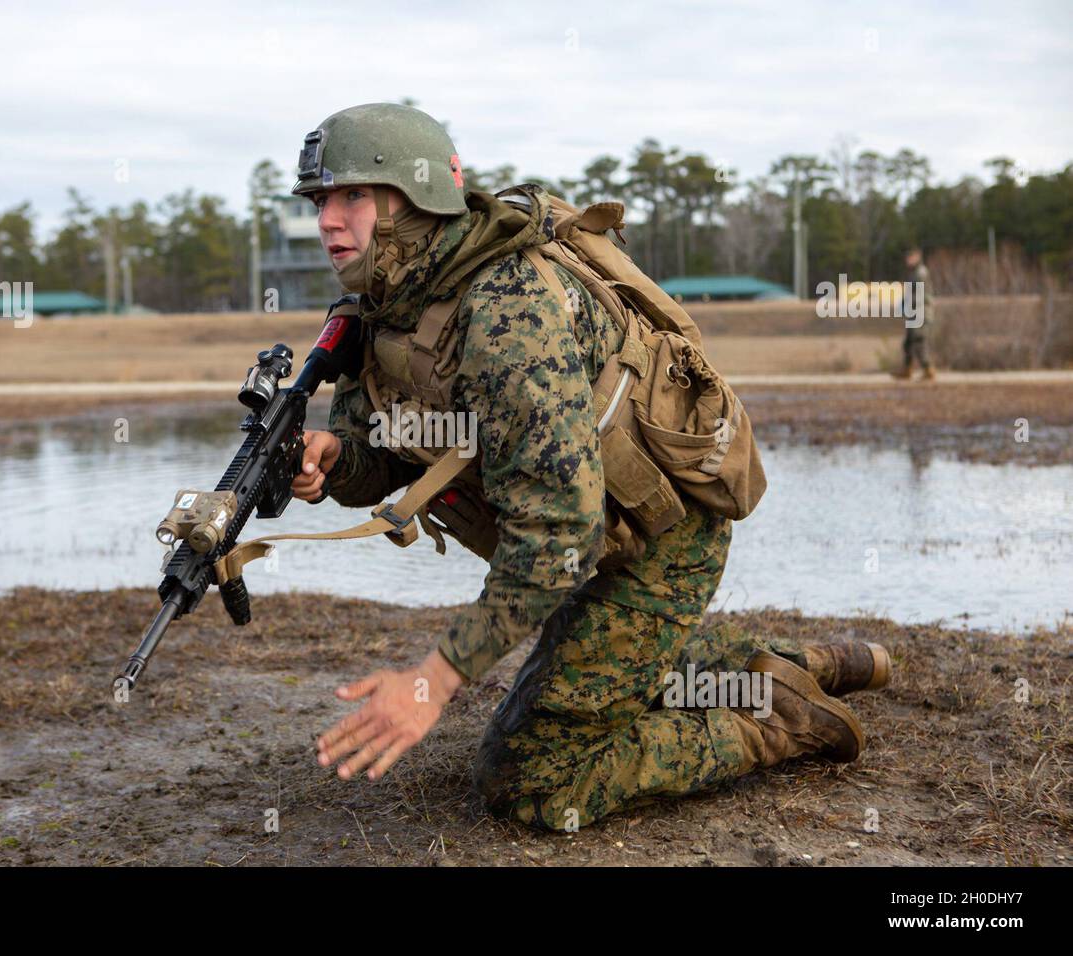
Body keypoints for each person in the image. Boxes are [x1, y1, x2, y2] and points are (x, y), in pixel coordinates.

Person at [289, 103, 890, 830]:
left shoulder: (506, 310)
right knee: (598, 678)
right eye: (320, 200)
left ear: (413, 202)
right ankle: (807, 663)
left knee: (531, 781)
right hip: (600, 539)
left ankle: (778, 719)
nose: (327, 219)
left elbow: (561, 536)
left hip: (656, 542)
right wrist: (334, 461)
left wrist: (434, 680)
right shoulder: (385, 304)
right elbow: (384, 457)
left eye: (350, 195)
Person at [894, 246, 936, 380]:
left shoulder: (920, 273)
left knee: (919, 341)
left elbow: (919, 294)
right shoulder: (913, 272)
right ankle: (907, 370)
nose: (907, 260)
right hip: (914, 312)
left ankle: (928, 369)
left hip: (921, 312)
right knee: (908, 343)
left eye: (910, 257)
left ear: (917, 257)